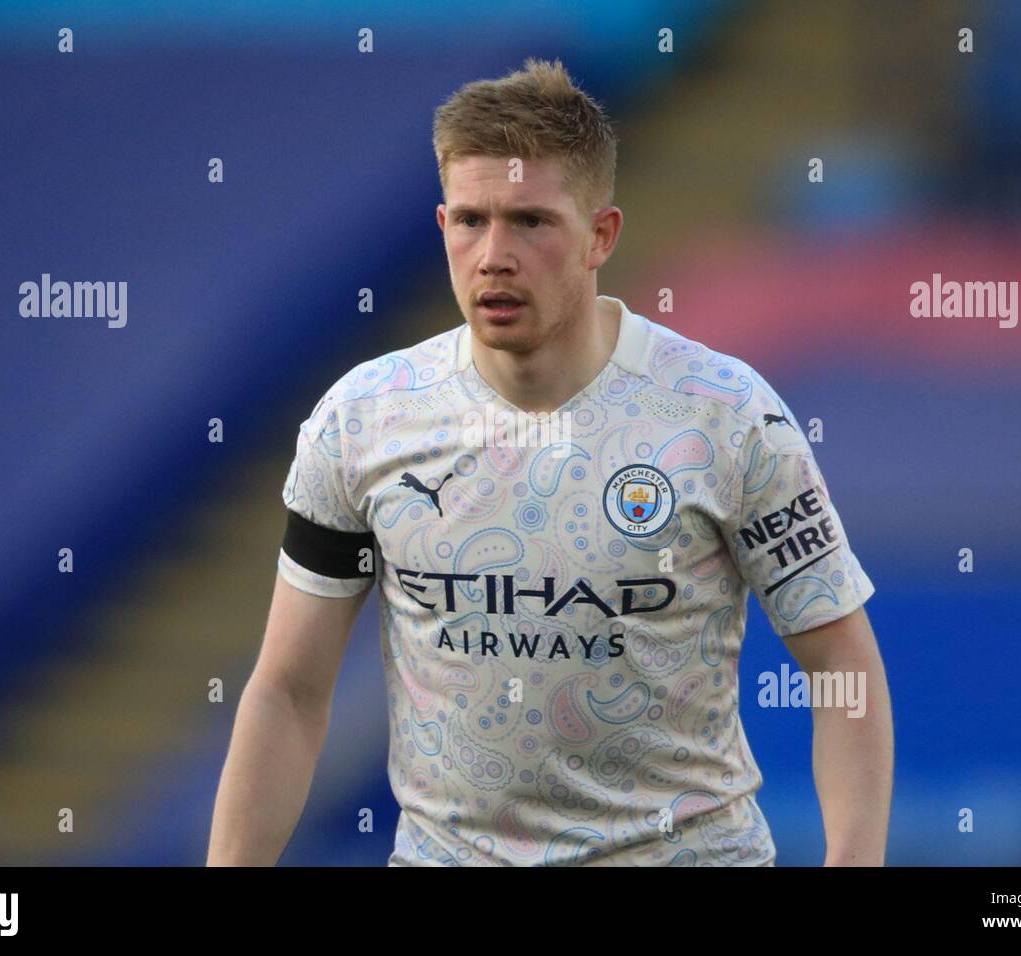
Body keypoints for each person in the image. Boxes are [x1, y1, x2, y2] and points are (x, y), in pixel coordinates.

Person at [207, 57, 892, 867]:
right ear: (442, 226)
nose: (494, 255)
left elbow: (843, 670)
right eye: (470, 220)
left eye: (530, 222)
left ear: (602, 234)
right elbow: (287, 692)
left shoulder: (726, 416)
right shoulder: (364, 422)